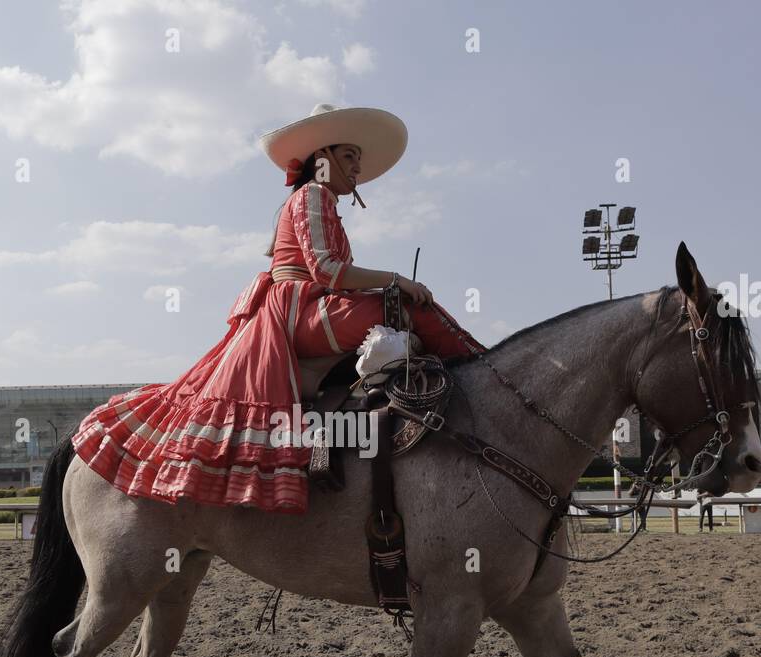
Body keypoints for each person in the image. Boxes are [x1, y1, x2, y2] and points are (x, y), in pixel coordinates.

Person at [73, 103, 487, 513]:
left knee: (401, 310)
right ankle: (488, 379)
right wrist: (397, 280)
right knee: (411, 310)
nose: (357, 168)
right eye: (349, 157)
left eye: (357, 160)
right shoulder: (313, 194)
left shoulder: (316, 200)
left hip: (305, 306)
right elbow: (327, 270)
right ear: (322, 158)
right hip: (300, 311)